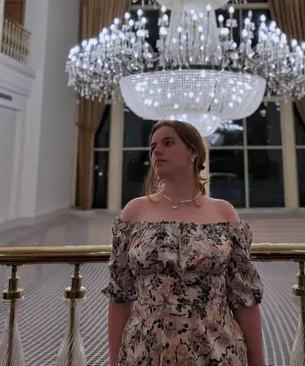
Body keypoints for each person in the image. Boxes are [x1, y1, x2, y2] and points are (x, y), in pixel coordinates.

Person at [103, 119, 264, 365]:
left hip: (217, 350)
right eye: (153, 146)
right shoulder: (134, 213)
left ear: (193, 152)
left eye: (168, 143)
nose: (157, 151)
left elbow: (245, 300)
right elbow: (119, 298)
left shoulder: (223, 213)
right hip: (145, 352)